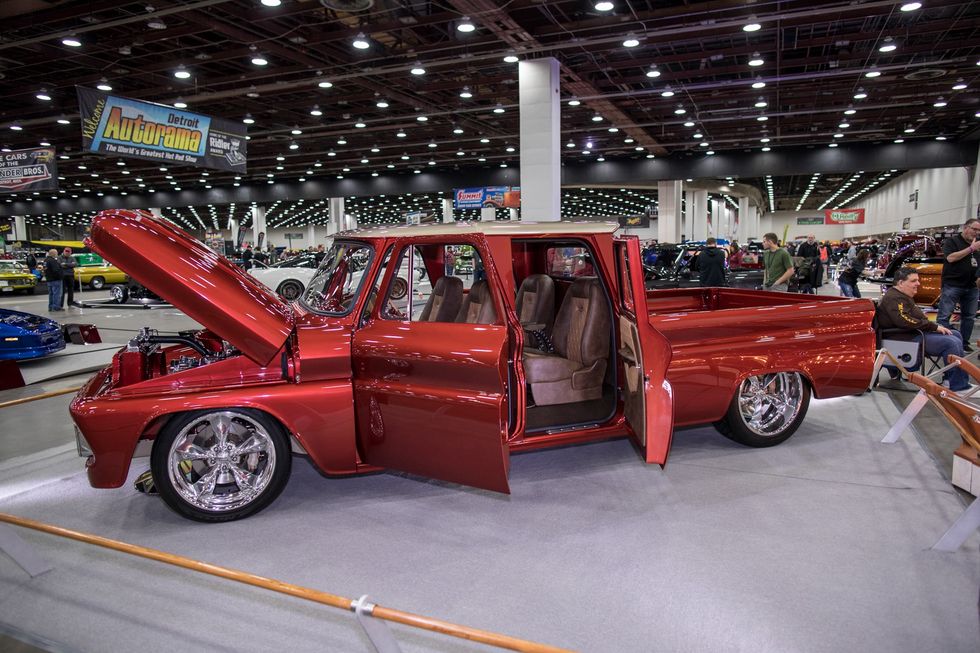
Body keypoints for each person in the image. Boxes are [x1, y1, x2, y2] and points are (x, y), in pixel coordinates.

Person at [878, 267, 970, 391]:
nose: (918, 284)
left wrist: (933, 326)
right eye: (913, 281)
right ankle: (958, 385)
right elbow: (903, 320)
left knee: (955, 335)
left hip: (912, 333)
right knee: (950, 342)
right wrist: (933, 327)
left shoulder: (902, 295)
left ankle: (953, 380)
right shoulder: (895, 298)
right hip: (905, 338)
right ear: (900, 283)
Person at [938, 218, 980, 352]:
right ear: (965, 227)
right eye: (974, 229)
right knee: (945, 315)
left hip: (971, 286)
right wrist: (971, 249)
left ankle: (964, 343)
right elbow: (951, 258)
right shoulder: (952, 241)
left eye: (979, 230)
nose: (976, 233)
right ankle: (943, 341)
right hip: (953, 284)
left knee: (969, 316)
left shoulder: (977, 246)